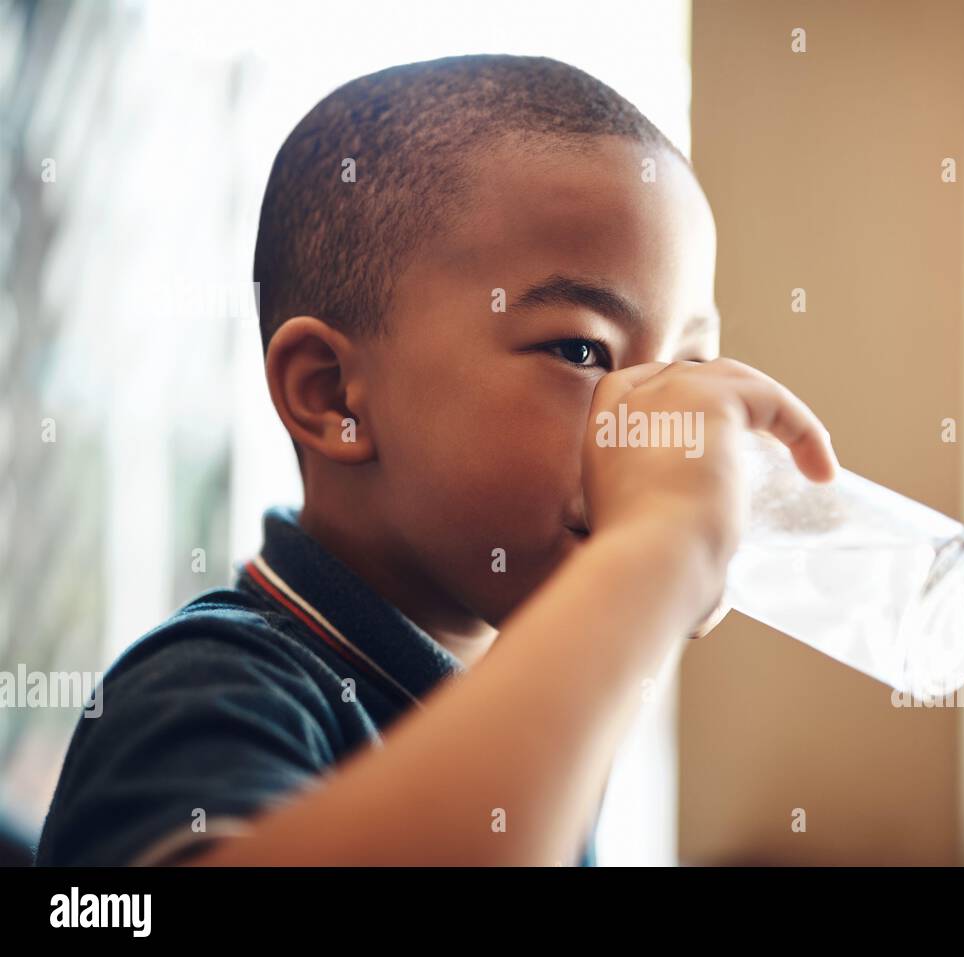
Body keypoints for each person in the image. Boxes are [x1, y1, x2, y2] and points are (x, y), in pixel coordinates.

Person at [35, 54, 836, 867]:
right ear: (334, 395)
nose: (656, 427)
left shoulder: (518, 701)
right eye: (583, 349)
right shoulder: (210, 688)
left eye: (686, 372)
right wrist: (652, 552)